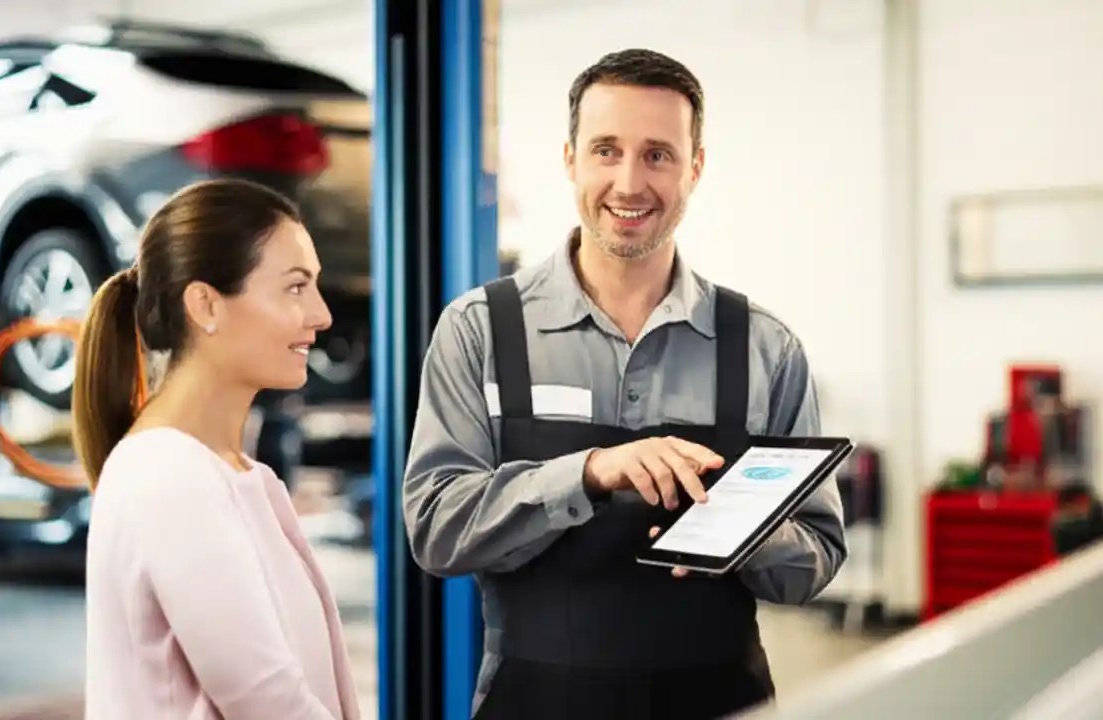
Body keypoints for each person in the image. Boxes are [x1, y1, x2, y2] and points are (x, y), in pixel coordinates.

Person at [403, 48, 847, 720]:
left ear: (695, 167)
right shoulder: (481, 331)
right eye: (606, 151)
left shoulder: (765, 347)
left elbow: (814, 563)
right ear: (570, 159)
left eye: (658, 155)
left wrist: (739, 527)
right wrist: (589, 473)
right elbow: (436, 531)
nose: (630, 183)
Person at [74, 179, 361, 720]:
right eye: (295, 288)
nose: (321, 314)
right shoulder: (169, 476)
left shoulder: (232, 474)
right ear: (206, 305)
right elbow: (270, 703)